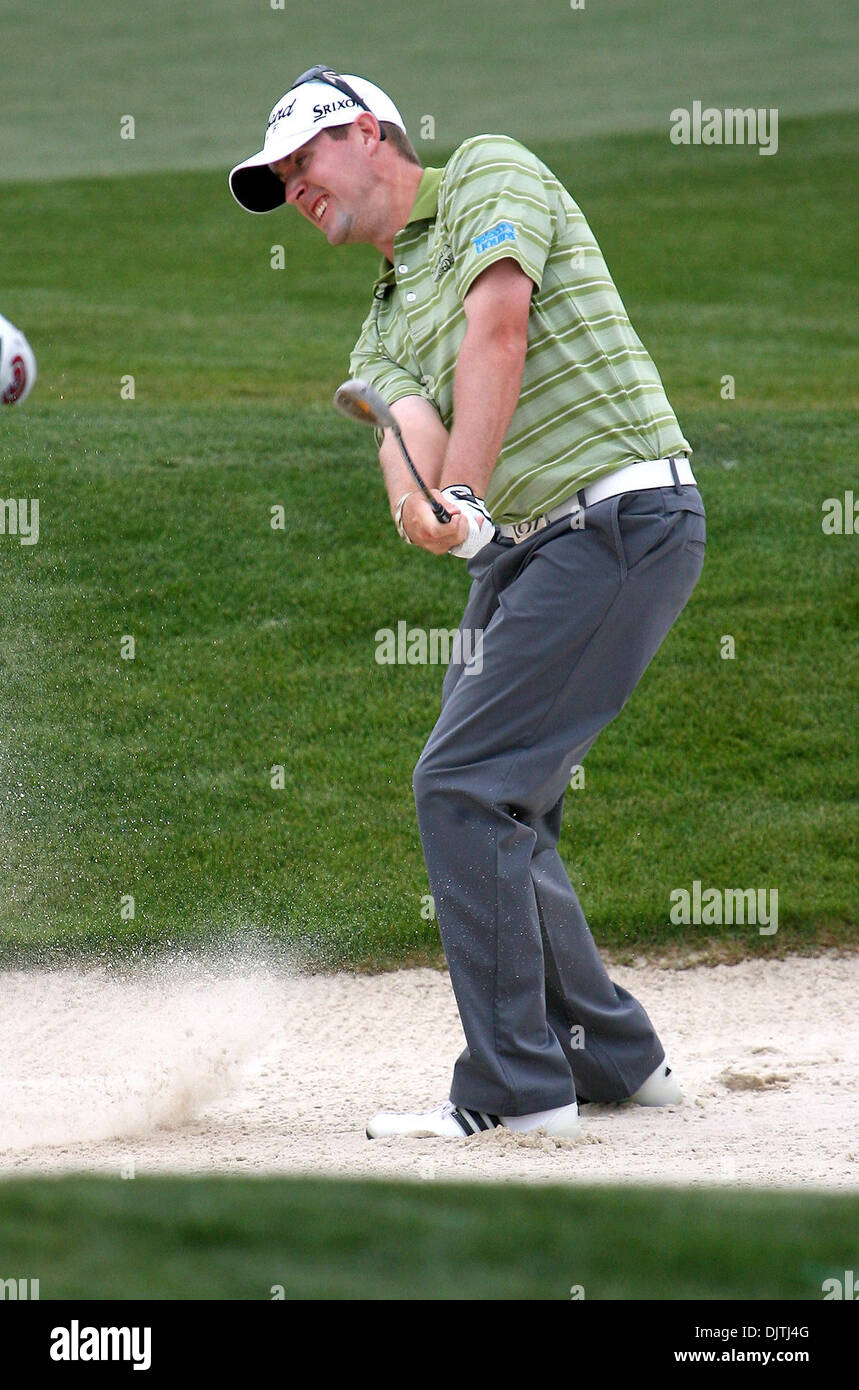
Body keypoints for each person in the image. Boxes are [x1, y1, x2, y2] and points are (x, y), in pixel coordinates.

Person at [229, 68, 706, 1141]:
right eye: (279, 179)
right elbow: (411, 437)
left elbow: (499, 329)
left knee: (461, 784)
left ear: (368, 132)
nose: (294, 187)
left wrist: (467, 495)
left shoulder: (489, 170)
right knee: (503, 802)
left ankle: (515, 1089)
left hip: (617, 517)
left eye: (303, 158)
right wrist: (425, 509)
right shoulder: (383, 323)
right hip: (528, 554)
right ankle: (608, 1058)